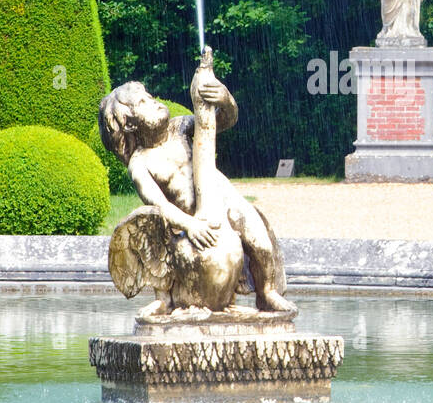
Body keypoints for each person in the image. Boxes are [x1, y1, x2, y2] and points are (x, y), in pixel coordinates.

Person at [98, 78, 294, 313]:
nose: (155, 102)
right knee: (161, 238)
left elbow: (221, 121)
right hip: (194, 218)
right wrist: (190, 225)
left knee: (260, 242)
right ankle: (166, 299)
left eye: (150, 97)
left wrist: (226, 100)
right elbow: (160, 206)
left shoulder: (180, 127)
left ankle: (267, 292)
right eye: (143, 102)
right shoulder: (141, 164)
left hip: (226, 198)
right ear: (129, 124)